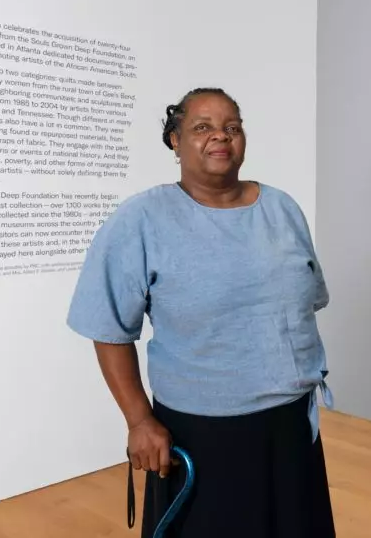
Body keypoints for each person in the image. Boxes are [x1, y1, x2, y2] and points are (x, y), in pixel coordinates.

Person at [66, 87, 336, 537]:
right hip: (201, 435)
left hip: (290, 424)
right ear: (175, 140)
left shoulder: (282, 209)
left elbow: (304, 302)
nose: (221, 137)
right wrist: (139, 420)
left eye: (232, 127)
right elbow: (108, 327)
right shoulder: (142, 219)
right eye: (202, 127)